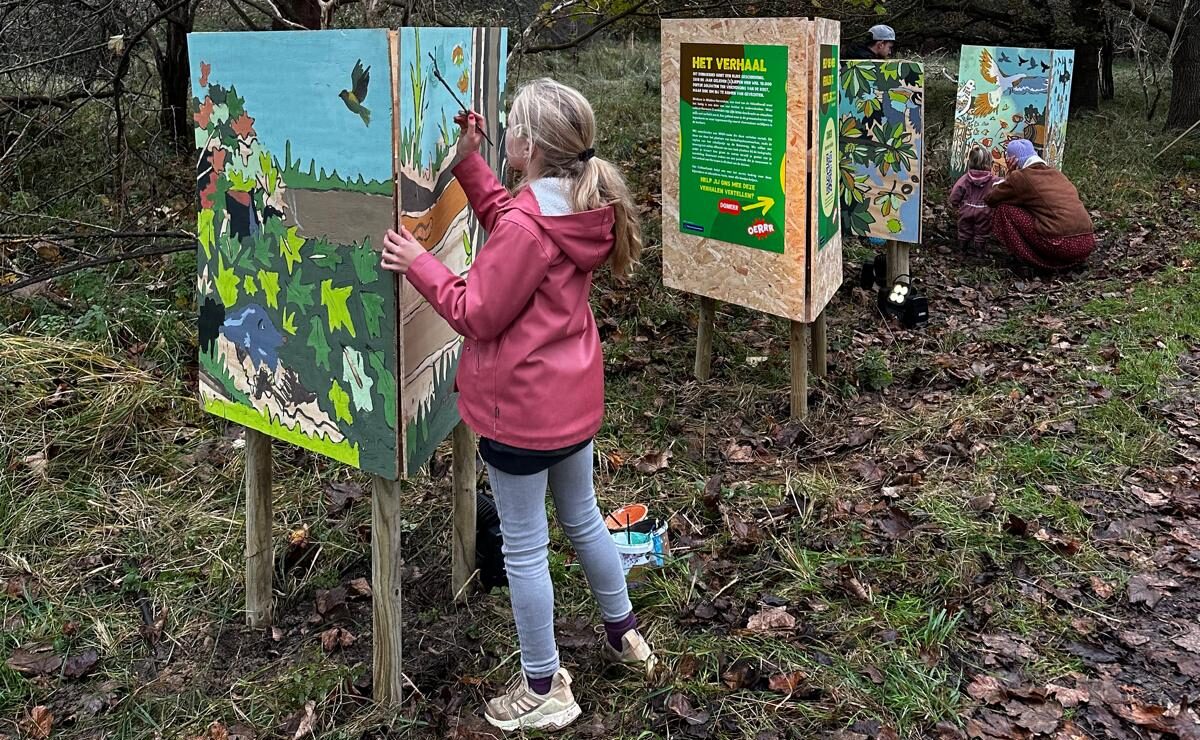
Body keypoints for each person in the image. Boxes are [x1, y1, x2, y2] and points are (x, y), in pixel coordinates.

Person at [379, 78, 655, 733]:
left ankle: (542, 687)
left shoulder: (532, 225)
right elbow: (512, 223)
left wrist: (419, 261)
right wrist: (471, 160)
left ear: (528, 146)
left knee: (527, 550)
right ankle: (624, 634)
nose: (504, 133)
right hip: (570, 402)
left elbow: (476, 311)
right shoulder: (573, 205)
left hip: (522, 414)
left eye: (510, 128)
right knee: (584, 518)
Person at [985, 138, 1096, 269]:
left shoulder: (1020, 177)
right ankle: (1067, 262)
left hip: (1062, 244)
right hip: (1087, 243)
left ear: (1012, 159)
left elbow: (991, 199)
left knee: (1004, 210)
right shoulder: (1056, 173)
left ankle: (1037, 262)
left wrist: (1010, 173)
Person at [949, 144, 1001, 250]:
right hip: (985, 211)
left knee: (964, 229)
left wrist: (955, 203)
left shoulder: (965, 178)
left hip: (966, 209)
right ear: (989, 163)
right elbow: (1003, 187)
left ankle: (962, 249)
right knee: (982, 231)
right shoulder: (994, 180)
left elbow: (956, 192)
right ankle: (979, 252)